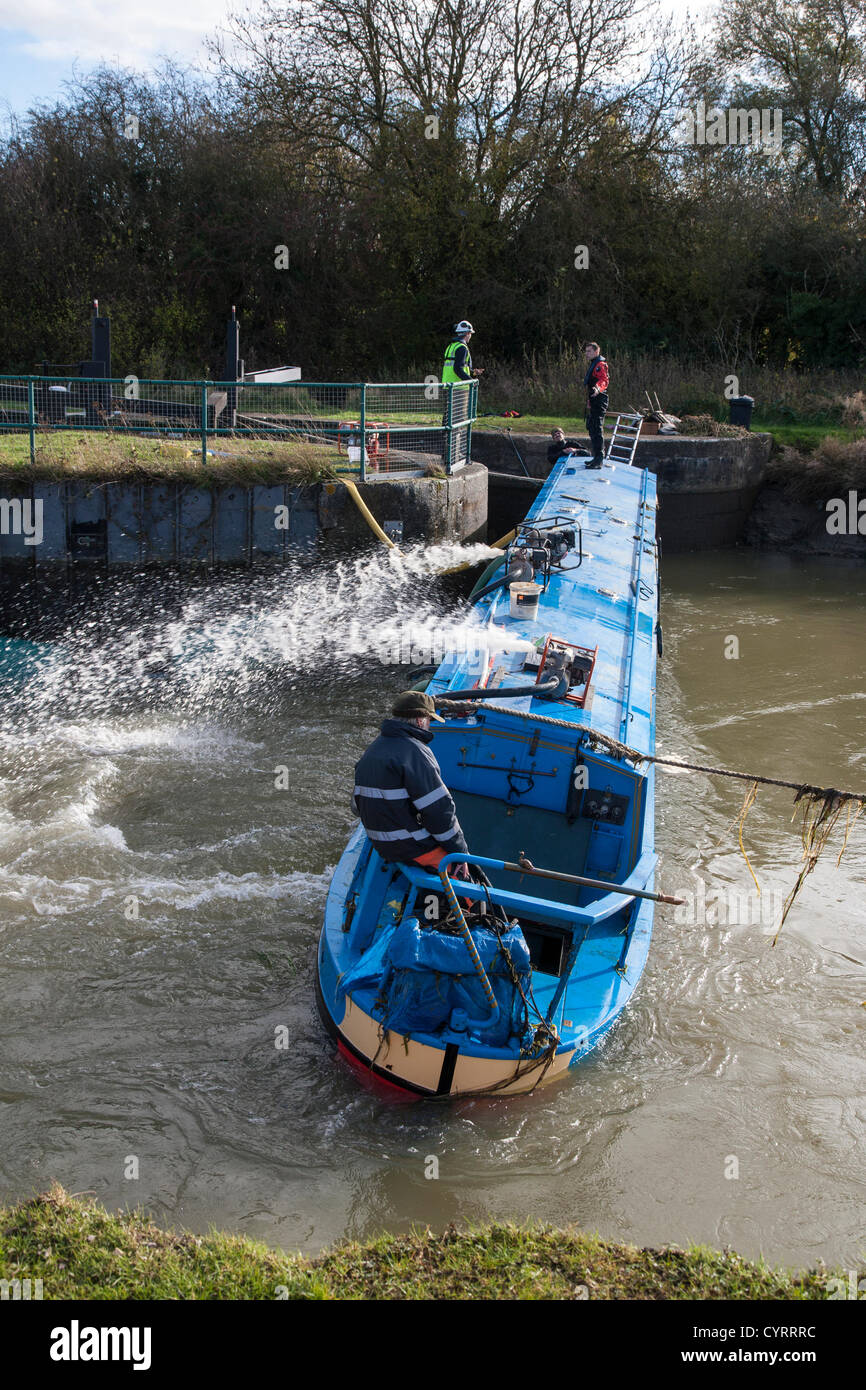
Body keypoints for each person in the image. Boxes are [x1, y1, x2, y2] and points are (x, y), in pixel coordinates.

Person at [352, 691, 470, 880]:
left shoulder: (373, 749)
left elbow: (356, 807)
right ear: (419, 720)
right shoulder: (415, 752)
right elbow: (438, 810)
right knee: (464, 880)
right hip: (406, 846)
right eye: (429, 719)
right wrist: (460, 851)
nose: (429, 725)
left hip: (381, 843)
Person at [583, 341, 609, 468]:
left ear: (596, 351)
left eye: (589, 351)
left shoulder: (600, 364)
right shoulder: (594, 364)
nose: (586, 354)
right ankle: (595, 457)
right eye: (586, 351)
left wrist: (597, 389)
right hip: (593, 399)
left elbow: (604, 381)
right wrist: (589, 400)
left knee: (597, 428)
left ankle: (599, 459)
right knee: (592, 427)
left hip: (599, 399)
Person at [442, 320, 483, 388]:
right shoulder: (462, 348)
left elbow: (459, 367)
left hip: (448, 386)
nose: (470, 336)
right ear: (467, 333)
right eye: (470, 334)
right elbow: (457, 369)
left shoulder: (451, 346)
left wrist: (474, 372)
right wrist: (471, 382)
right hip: (459, 387)